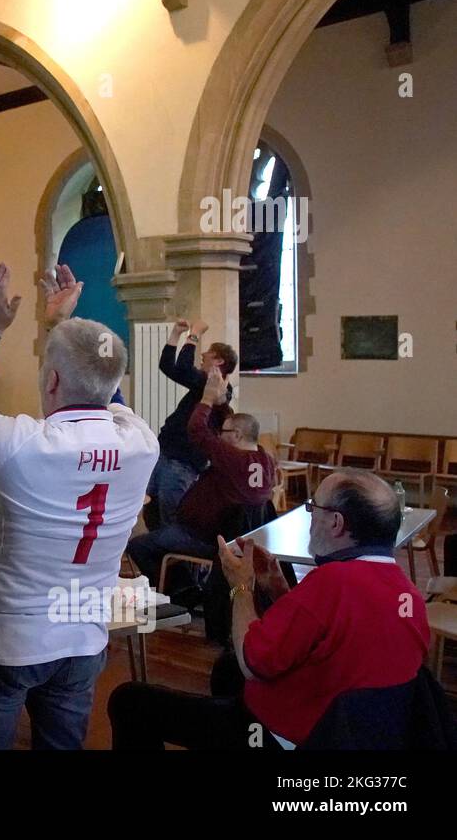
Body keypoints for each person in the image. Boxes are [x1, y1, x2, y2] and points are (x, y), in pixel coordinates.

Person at [0, 263, 159, 750]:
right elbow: (105, 388)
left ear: (52, 379)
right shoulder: (142, 443)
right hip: (82, 641)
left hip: (4, 641)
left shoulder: (21, 444)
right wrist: (61, 324)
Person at [109, 469, 431, 749]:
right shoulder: (408, 596)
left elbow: (253, 662)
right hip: (356, 731)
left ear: (336, 523)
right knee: (226, 668)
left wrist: (241, 585)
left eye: (312, 507)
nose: (309, 516)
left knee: (129, 701)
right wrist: (279, 590)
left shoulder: (333, 582)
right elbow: (329, 633)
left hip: (284, 736)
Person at [127, 367, 275, 589]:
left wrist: (207, 398)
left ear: (237, 436)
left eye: (223, 433)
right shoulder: (266, 460)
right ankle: (187, 585)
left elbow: (196, 430)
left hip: (205, 538)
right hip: (236, 538)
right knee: (160, 524)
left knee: (140, 545)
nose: (218, 437)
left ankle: (179, 593)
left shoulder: (232, 457)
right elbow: (227, 424)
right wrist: (222, 399)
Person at [146, 319, 238, 525]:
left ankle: (173, 555)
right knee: (151, 507)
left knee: (171, 515)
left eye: (208, 354)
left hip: (183, 460)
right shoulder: (203, 383)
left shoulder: (218, 387)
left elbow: (184, 367)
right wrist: (175, 335)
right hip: (167, 452)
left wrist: (194, 335)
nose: (203, 355)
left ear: (219, 362)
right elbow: (169, 367)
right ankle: (156, 553)